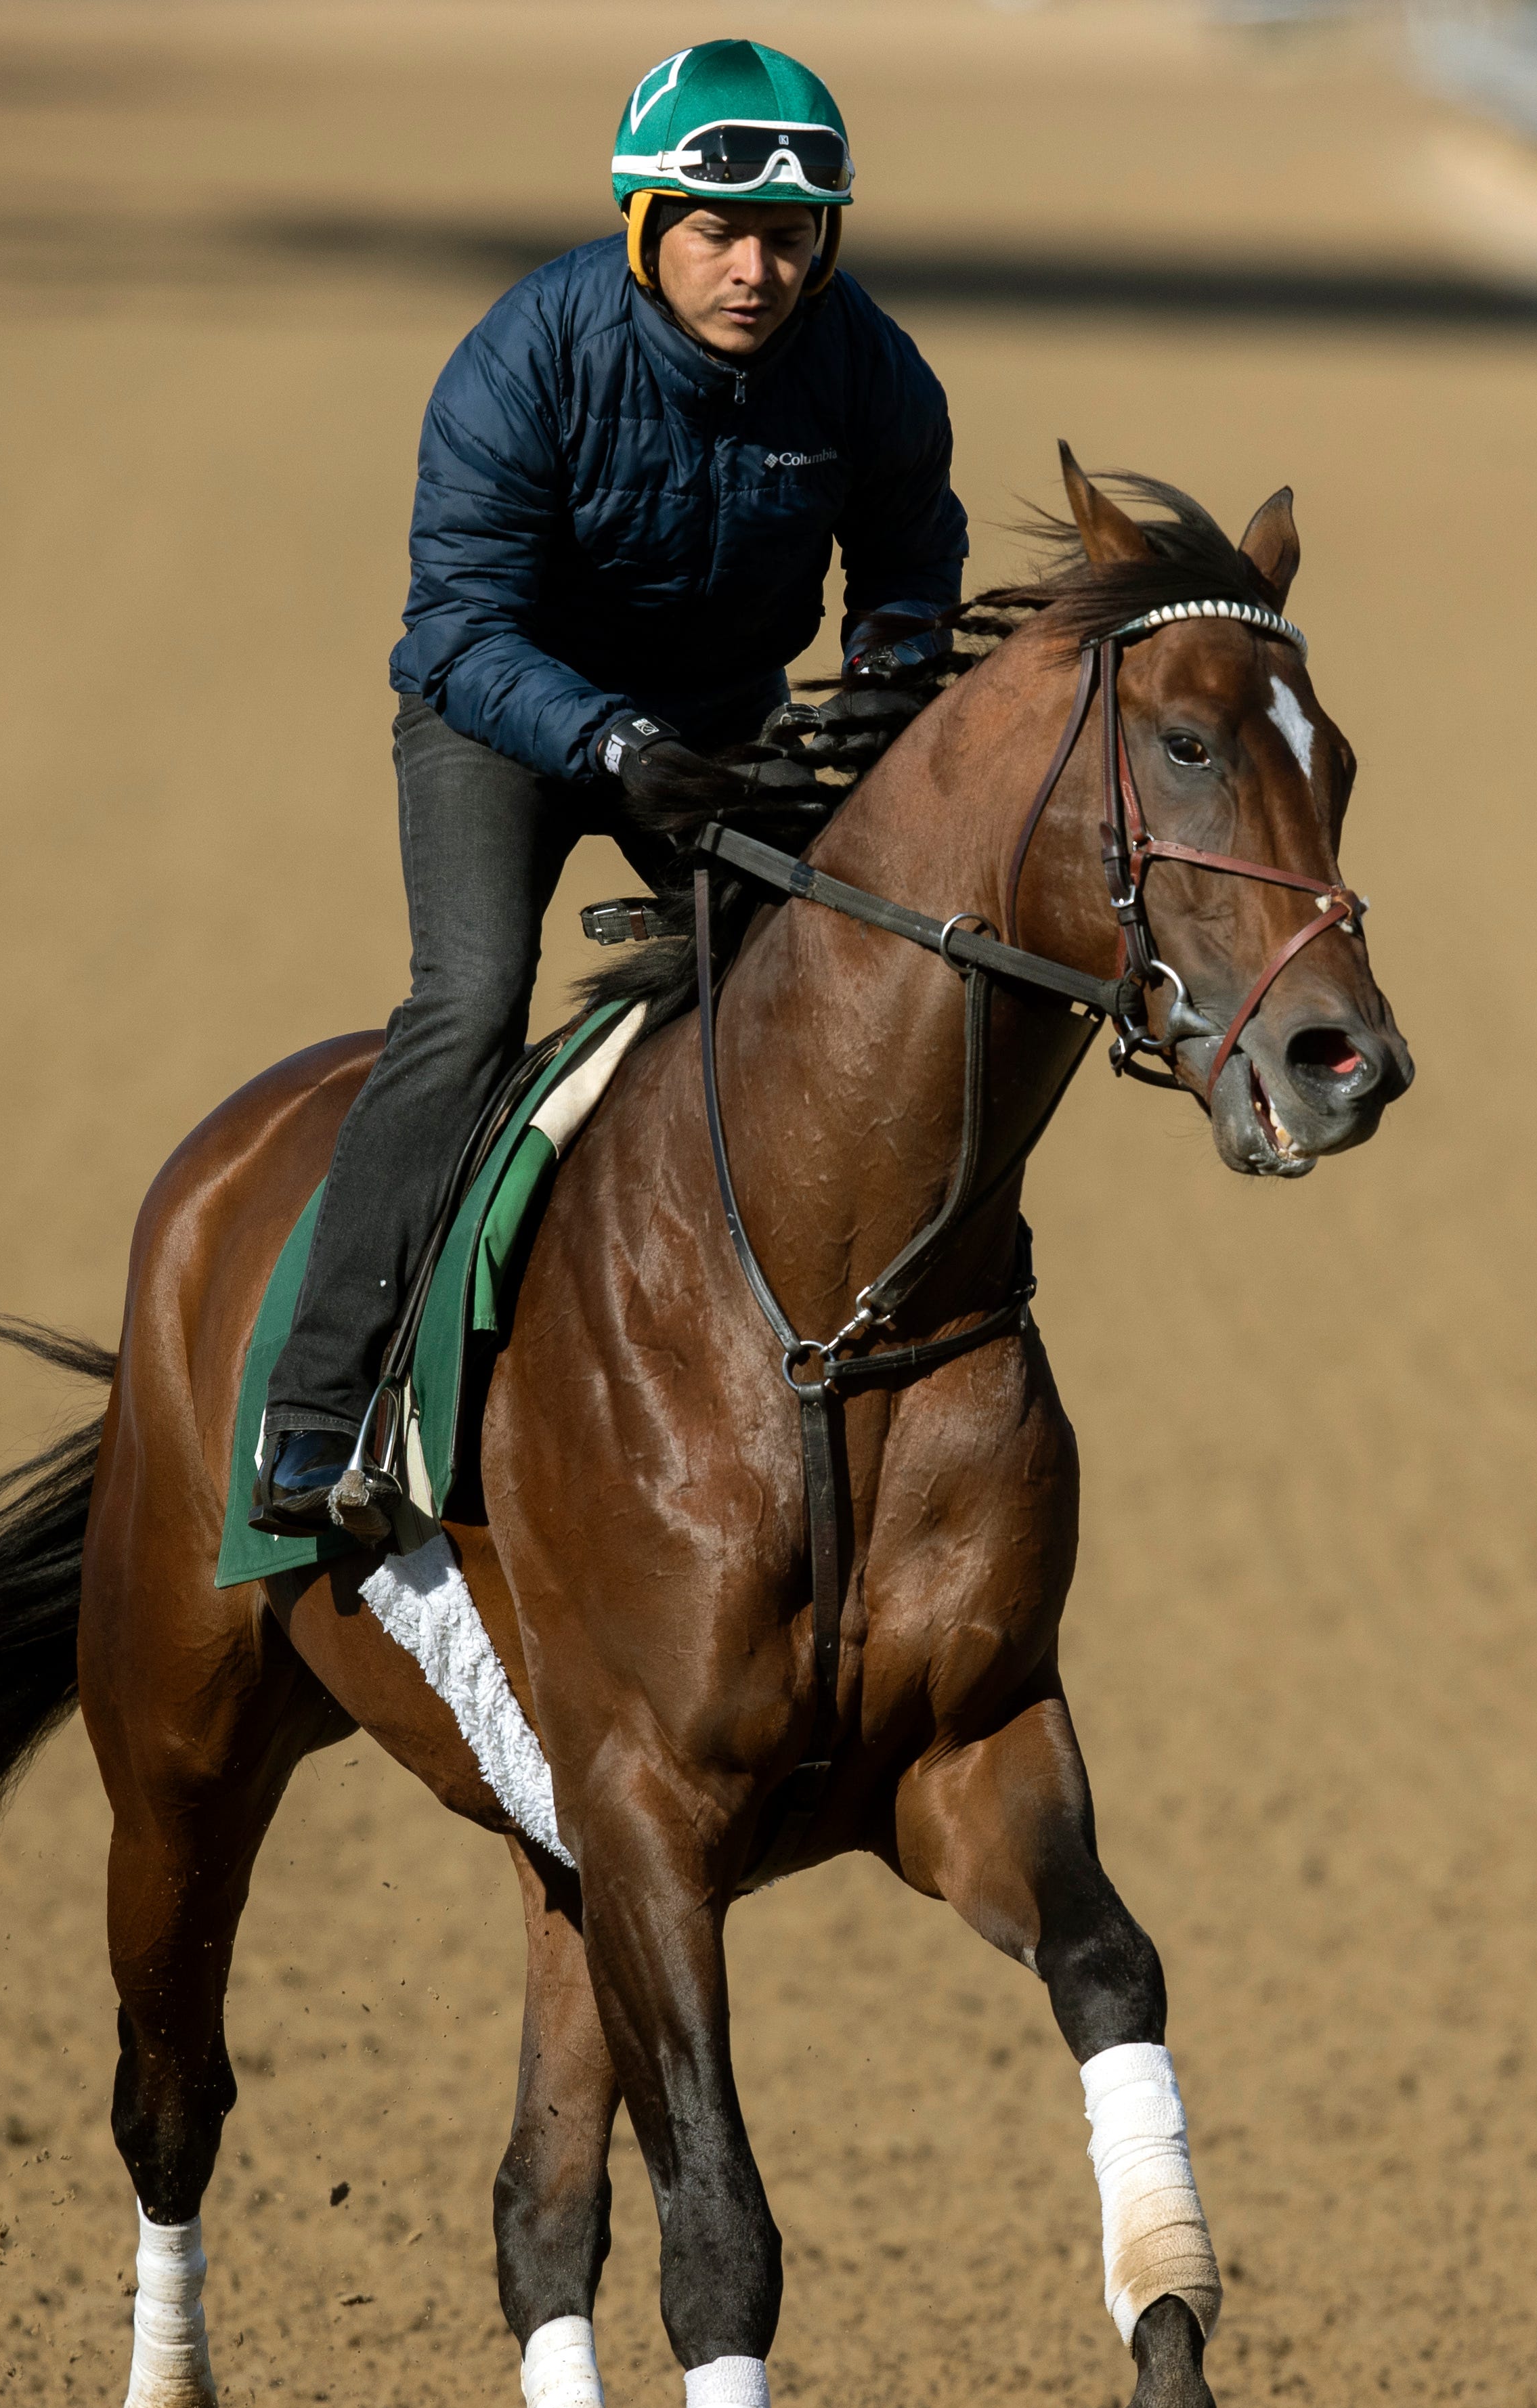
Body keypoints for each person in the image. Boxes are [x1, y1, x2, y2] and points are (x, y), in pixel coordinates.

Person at [253, 38, 968, 1538]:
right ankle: (314, 1408)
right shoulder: (527, 351)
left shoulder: (864, 362)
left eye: (792, 239)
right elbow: (457, 630)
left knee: (817, 990)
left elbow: (910, 551)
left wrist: (890, 670)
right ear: (644, 229)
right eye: (718, 234)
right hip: (499, 724)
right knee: (470, 1003)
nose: (757, 273)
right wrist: (614, 744)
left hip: (712, 729)